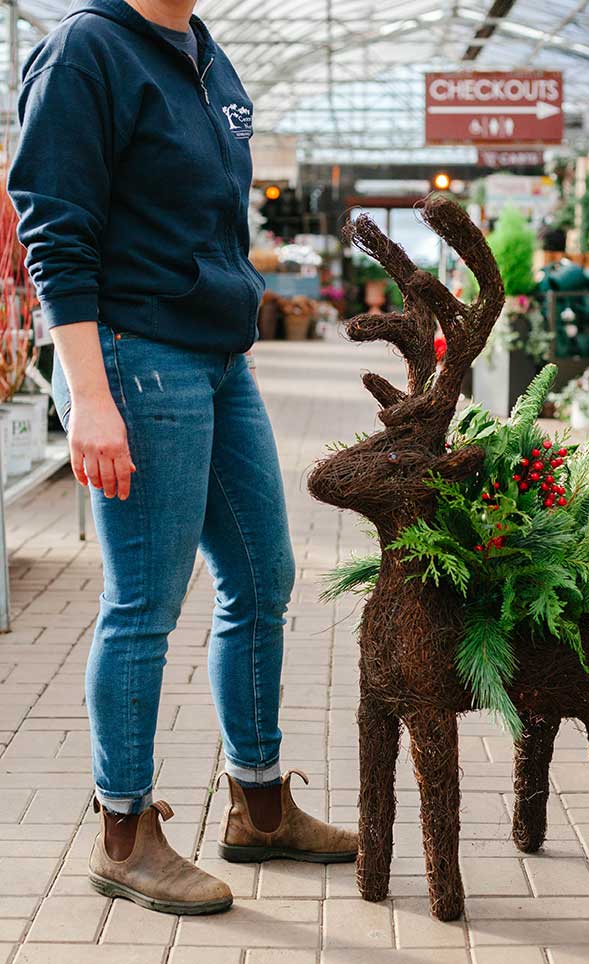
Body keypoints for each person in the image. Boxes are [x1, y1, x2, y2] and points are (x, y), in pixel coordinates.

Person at [9, 0, 357, 916]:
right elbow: (53, 230)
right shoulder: (87, 50)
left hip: (218, 359)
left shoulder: (207, 56)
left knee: (263, 576)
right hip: (134, 354)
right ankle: (123, 833)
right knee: (145, 603)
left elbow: (214, 224)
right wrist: (90, 397)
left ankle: (260, 806)